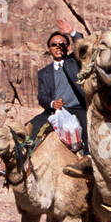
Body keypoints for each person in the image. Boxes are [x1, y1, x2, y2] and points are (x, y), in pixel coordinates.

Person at [28, 20, 86, 151]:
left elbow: (82, 46)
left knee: (90, 135)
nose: (58, 47)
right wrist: (52, 103)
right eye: (54, 44)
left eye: (62, 44)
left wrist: (72, 33)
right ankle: (21, 165)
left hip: (78, 108)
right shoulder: (44, 73)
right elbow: (42, 95)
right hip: (56, 110)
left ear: (68, 48)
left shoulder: (74, 62)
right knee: (30, 129)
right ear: (49, 49)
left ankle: (89, 162)